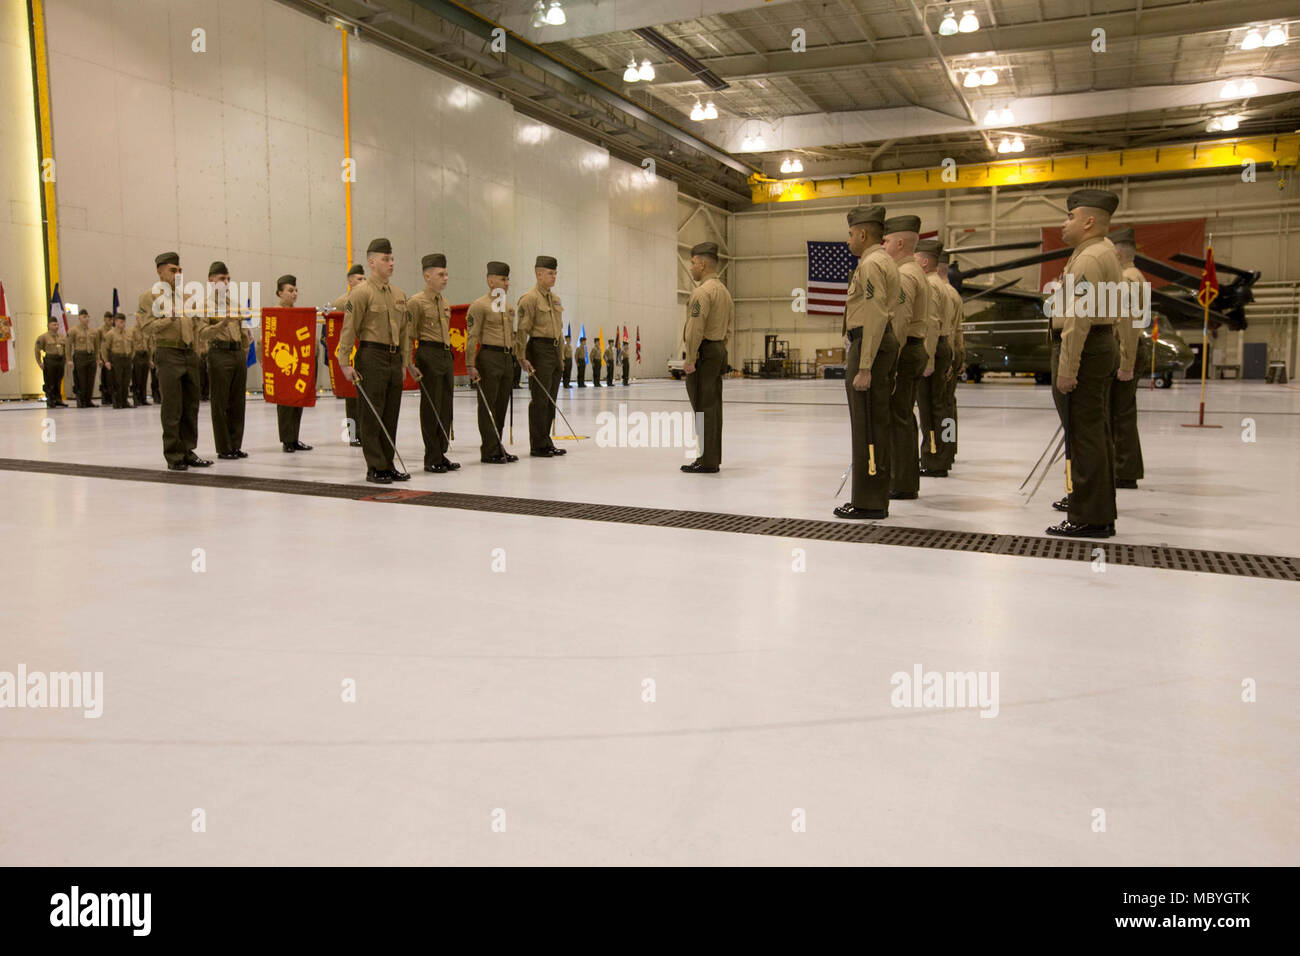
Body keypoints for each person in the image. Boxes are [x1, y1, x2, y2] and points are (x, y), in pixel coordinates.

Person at [1047, 189, 1122, 538]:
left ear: (1089, 221)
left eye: (1070, 216)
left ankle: (1089, 518)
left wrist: (1067, 368)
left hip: (1087, 349)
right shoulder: (1099, 252)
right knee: (1093, 432)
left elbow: (1078, 318)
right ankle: (1096, 511)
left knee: (1084, 434)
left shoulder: (1090, 258)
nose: (1065, 223)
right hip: (1097, 347)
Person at [834, 206, 900, 519]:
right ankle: (871, 496)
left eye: (850, 234)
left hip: (868, 345)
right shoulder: (882, 261)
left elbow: (874, 312)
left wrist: (865, 365)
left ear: (862, 233)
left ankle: (869, 502)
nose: (848, 240)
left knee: (868, 427)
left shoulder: (872, 264)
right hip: (875, 342)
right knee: (873, 424)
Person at [337, 238, 414, 484]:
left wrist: (403, 363)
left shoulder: (399, 294)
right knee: (372, 414)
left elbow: (405, 332)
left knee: (391, 414)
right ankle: (375, 466)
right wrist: (345, 363)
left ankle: (388, 463)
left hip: (393, 358)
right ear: (372, 262)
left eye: (392, 259)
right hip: (371, 356)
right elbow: (349, 329)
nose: (391, 263)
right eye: (385, 259)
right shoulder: (361, 293)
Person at [137, 251, 212, 470]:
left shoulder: (187, 298)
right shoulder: (148, 298)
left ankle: (188, 450)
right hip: (168, 353)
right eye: (173, 270)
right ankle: (173, 455)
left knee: (191, 405)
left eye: (180, 270)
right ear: (160, 271)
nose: (178, 274)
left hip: (189, 354)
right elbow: (147, 327)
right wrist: (168, 318)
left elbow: (198, 327)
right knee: (172, 407)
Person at [883, 215, 931, 501]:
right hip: (915, 348)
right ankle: (905, 479)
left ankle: (899, 482)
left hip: (904, 350)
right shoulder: (917, 272)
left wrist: (890, 359)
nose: (883, 245)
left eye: (886, 240)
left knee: (896, 417)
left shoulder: (903, 275)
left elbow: (899, 323)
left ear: (900, 243)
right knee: (904, 417)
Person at [681, 241, 733, 474]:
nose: (691, 267)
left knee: (703, 406)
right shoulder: (724, 292)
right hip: (717, 349)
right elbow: (729, 327)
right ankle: (712, 456)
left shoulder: (702, 293)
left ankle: (707, 459)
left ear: (702, 264)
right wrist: (721, 349)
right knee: (713, 407)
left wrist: (690, 358)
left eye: (692, 263)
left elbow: (695, 328)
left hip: (703, 353)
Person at [407, 253, 458, 473]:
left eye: (446, 274)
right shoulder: (416, 302)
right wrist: (409, 363)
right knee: (431, 406)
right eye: (440, 274)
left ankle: (441, 452)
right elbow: (408, 334)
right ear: (428, 276)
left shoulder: (444, 302)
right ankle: (431, 456)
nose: (445, 278)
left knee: (446, 406)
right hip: (428, 354)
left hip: (446, 356)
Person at [465, 261, 518, 464]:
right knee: (488, 405)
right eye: (503, 279)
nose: (506, 283)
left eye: (507, 280)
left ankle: (498, 444)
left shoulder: (509, 308)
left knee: (502, 404)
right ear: (490, 280)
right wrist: (470, 364)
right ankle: (489, 449)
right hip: (489, 357)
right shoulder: (480, 306)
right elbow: (472, 336)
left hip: (506, 358)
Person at [516, 255, 567, 458]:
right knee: (540, 399)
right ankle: (537, 444)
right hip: (538, 349)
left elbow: (559, 331)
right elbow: (521, 330)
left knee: (551, 400)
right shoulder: (529, 299)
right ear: (539, 274)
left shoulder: (555, 299)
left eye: (555, 273)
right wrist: (521, 356)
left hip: (554, 351)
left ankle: (546, 440)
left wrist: (561, 356)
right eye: (550, 273)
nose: (554, 277)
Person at [203, 262, 250, 459]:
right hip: (219, 353)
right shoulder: (204, 306)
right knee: (220, 403)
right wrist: (220, 324)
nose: (226, 282)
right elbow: (202, 333)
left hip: (237, 353)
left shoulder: (235, 305)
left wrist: (244, 351)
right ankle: (224, 447)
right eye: (222, 279)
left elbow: (244, 332)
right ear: (211, 280)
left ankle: (235, 444)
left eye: (228, 279)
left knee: (237, 402)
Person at [915, 238, 953, 476]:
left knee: (930, 410)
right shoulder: (942, 286)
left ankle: (933, 459)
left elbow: (930, 325)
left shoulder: (929, 286)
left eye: (916, 257)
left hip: (933, 349)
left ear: (926, 262)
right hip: (942, 347)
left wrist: (927, 360)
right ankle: (942, 455)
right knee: (940, 407)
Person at [1110, 226, 1145, 490]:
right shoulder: (1134, 276)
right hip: (1129, 347)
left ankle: (1124, 470)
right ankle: (1124, 468)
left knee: (1120, 414)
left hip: (1127, 347)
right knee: (1123, 412)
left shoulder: (1127, 280)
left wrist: (1126, 363)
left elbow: (1130, 324)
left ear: (1119, 252)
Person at [273, 275, 313, 453]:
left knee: (297, 401)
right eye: (290, 290)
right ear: (280, 293)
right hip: (281, 364)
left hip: (296, 362)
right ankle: (287, 440)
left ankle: (294, 438)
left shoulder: (298, 314)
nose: (294, 293)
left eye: (296, 290)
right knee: (285, 403)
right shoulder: (274, 314)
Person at [329, 264, 365, 447]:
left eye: (364, 279)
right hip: (348, 354)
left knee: (364, 397)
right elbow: (331, 332)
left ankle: (364, 432)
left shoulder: (368, 298)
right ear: (350, 280)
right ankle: (352, 435)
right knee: (351, 399)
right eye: (359, 279)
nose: (362, 282)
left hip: (364, 352)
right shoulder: (341, 303)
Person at [939, 250, 963, 462]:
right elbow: (958, 330)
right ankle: (949, 448)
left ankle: (943, 453)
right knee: (948, 406)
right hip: (953, 353)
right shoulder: (953, 292)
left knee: (941, 409)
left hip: (945, 355)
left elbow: (947, 329)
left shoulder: (942, 292)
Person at [99, 313, 134, 408]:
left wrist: (131, 357)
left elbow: (132, 346)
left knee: (126, 381)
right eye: (121, 322)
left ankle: (124, 401)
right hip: (116, 358)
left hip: (126, 358)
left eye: (124, 322)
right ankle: (117, 402)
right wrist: (106, 361)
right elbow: (104, 348)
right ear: (116, 322)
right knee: (117, 382)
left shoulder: (128, 333)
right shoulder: (110, 334)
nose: (123, 324)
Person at [67, 310, 99, 407]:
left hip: (91, 356)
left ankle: (88, 400)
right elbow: (68, 346)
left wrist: (97, 358)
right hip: (80, 356)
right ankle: (81, 400)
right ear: (79, 318)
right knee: (81, 380)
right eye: (84, 317)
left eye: (88, 317)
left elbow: (97, 346)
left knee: (90, 380)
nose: (86, 319)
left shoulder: (94, 331)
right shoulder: (73, 330)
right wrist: (69, 359)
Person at [35, 318, 69, 408]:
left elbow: (66, 349)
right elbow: (37, 350)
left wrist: (65, 359)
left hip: (60, 360)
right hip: (50, 360)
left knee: (58, 381)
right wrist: (39, 362)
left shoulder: (61, 337)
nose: (56, 326)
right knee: (50, 381)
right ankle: (50, 399)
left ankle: (58, 399)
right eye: (54, 324)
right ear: (49, 325)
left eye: (57, 325)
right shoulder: (43, 337)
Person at [131, 314, 154, 406]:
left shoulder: (147, 330)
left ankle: (143, 398)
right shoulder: (132, 331)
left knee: (144, 378)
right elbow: (131, 345)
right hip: (137, 355)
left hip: (145, 355)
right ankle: (136, 398)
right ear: (137, 319)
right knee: (137, 378)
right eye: (141, 318)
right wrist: (131, 359)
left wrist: (150, 359)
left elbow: (150, 345)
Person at [99, 311, 116, 406]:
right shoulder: (100, 330)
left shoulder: (114, 330)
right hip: (104, 355)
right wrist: (99, 358)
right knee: (105, 377)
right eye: (109, 319)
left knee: (112, 377)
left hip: (112, 355)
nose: (111, 321)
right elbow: (98, 345)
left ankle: (111, 396)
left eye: (112, 319)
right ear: (105, 319)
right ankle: (105, 397)